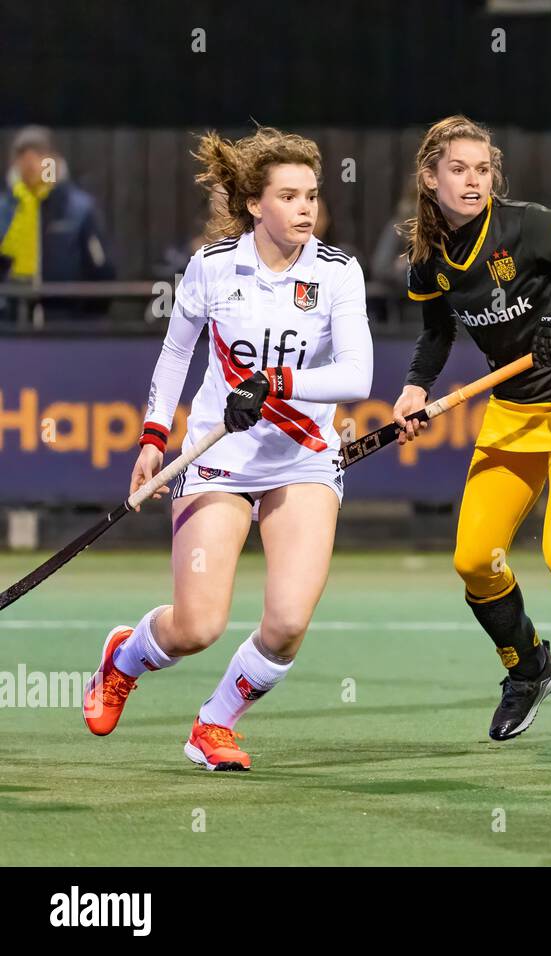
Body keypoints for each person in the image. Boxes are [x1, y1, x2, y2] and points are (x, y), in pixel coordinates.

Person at [81, 127, 374, 771]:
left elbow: (358, 376)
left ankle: (213, 724)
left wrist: (275, 382)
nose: (305, 209)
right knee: (197, 627)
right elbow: (176, 352)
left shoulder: (337, 272)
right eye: (290, 196)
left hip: (304, 460)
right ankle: (124, 657)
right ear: (254, 204)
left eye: (312, 196)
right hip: (218, 459)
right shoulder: (213, 266)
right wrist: (154, 438)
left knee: (288, 622)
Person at [391, 116, 551, 758]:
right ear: (430, 178)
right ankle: (530, 667)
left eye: (482, 169)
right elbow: (437, 332)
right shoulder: (427, 260)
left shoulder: (526, 225)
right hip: (514, 412)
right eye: (458, 169)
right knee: (474, 561)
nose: (473, 180)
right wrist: (416, 388)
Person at [0, 126, 115, 320]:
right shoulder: (4, 211)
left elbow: (102, 271)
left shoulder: (79, 210)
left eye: (38, 153)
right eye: (23, 155)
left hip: (67, 327)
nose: (31, 163)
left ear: (53, 159)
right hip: (11, 329)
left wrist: (85, 323)